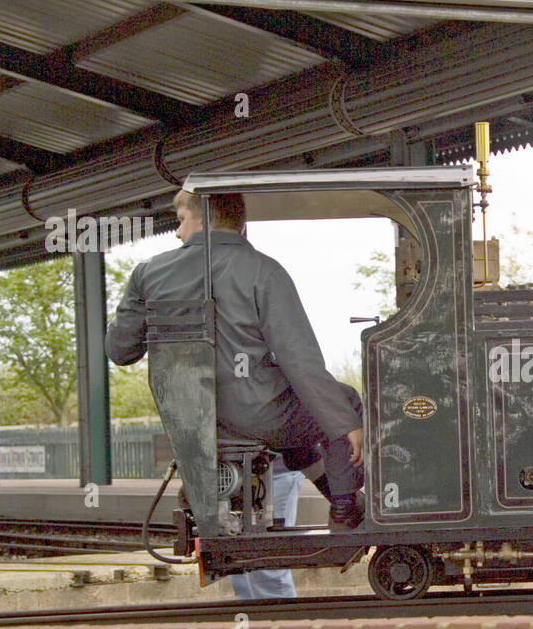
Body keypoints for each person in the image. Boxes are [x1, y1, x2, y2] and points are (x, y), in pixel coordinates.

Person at [106, 189, 364, 527]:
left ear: (203, 218)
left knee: (301, 426)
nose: (177, 231)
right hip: (259, 414)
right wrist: (344, 424)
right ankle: (345, 507)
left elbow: (120, 351)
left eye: (180, 220)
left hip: (191, 418)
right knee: (343, 402)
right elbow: (300, 362)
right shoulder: (264, 270)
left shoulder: (148, 273)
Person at [229, 455, 302, 600]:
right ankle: (254, 617)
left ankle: (278, 618)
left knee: (266, 561)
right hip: (235, 465)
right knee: (236, 558)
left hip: (274, 462)